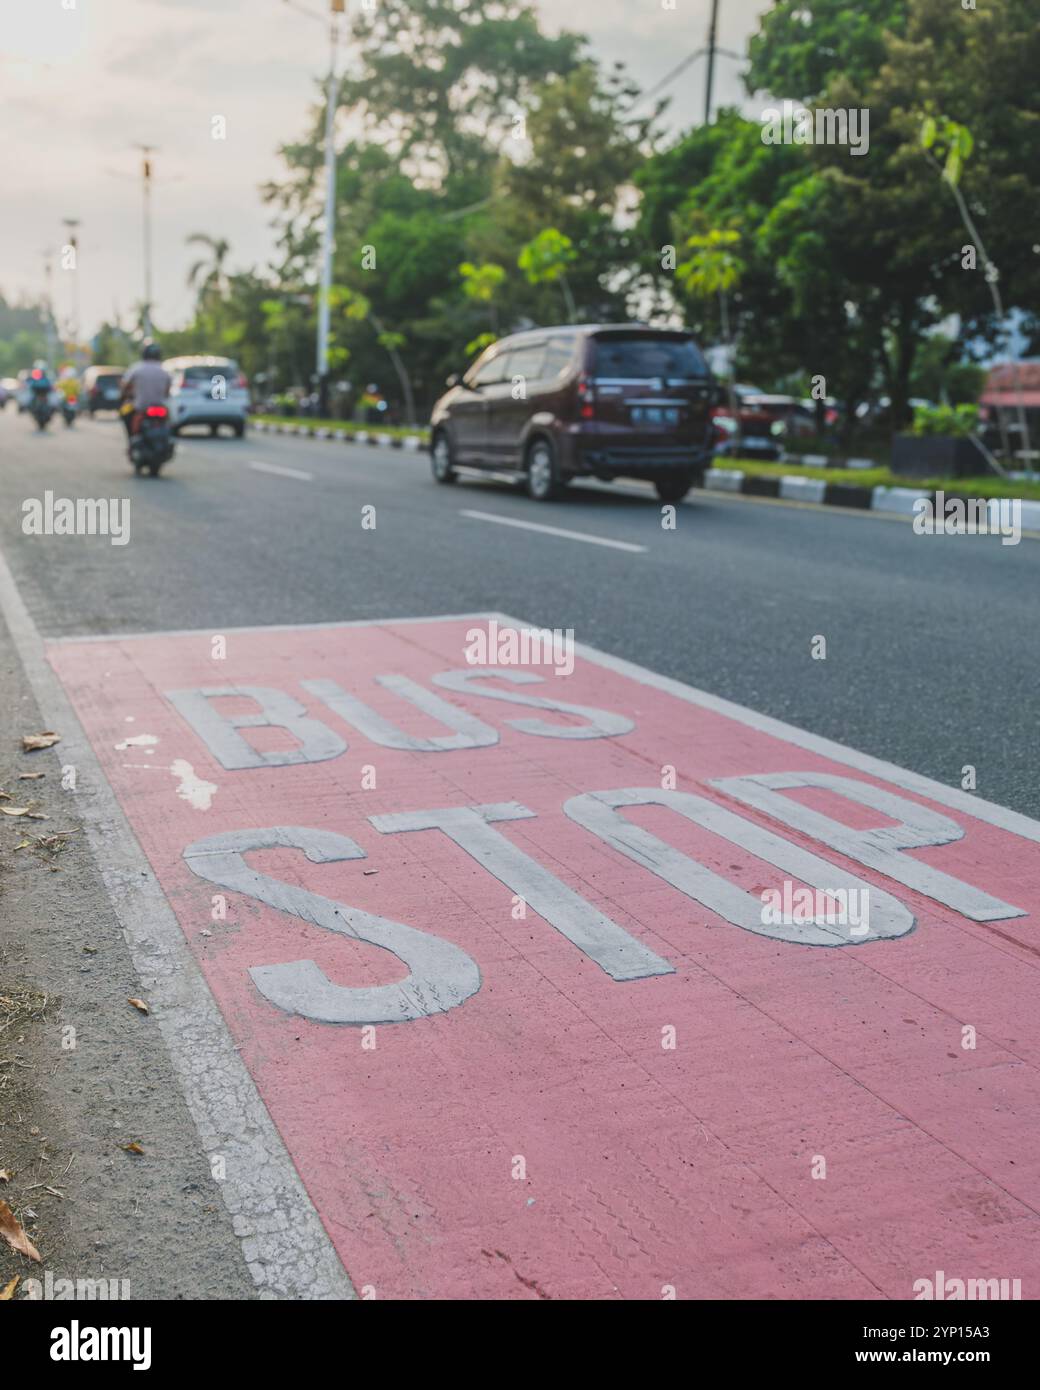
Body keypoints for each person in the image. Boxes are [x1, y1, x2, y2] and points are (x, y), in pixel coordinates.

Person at [120, 341, 171, 440]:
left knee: (125, 413)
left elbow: (125, 386)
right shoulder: (164, 370)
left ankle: (132, 439)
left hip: (141, 407)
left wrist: (126, 393)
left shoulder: (136, 368)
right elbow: (167, 393)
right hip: (161, 407)